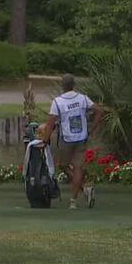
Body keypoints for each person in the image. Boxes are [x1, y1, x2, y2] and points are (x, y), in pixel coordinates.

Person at [42, 74, 103, 210]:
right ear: (73, 85)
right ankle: (73, 201)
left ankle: (82, 191)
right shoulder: (82, 99)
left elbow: (50, 123)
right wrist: (90, 130)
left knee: (63, 165)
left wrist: (45, 140)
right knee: (78, 168)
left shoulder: (58, 102)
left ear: (62, 86)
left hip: (67, 139)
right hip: (81, 138)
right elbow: (99, 111)